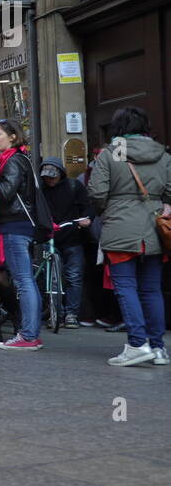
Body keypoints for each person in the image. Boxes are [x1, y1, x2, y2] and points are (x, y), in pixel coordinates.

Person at [87, 106, 171, 366]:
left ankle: (137, 343)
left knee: (126, 287)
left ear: (118, 128)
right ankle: (158, 347)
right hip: (154, 226)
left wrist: (108, 210)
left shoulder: (112, 153)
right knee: (151, 289)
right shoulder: (163, 155)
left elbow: (97, 193)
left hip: (120, 226)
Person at [0, 119, 47, 351]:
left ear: (12, 137)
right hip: (22, 225)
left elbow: (5, 193)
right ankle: (31, 333)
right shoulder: (20, 159)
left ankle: (29, 335)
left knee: (23, 282)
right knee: (26, 281)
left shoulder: (12, 161)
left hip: (15, 225)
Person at [39, 157, 93, 329]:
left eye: (53, 177)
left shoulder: (74, 186)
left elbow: (88, 207)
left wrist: (87, 219)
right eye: (47, 177)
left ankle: (71, 314)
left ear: (61, 174)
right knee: (53, 278)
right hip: (51, 238)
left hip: (72, 238)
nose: (50, 180)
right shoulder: (41, 190)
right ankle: (56, 313)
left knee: (74, 277)